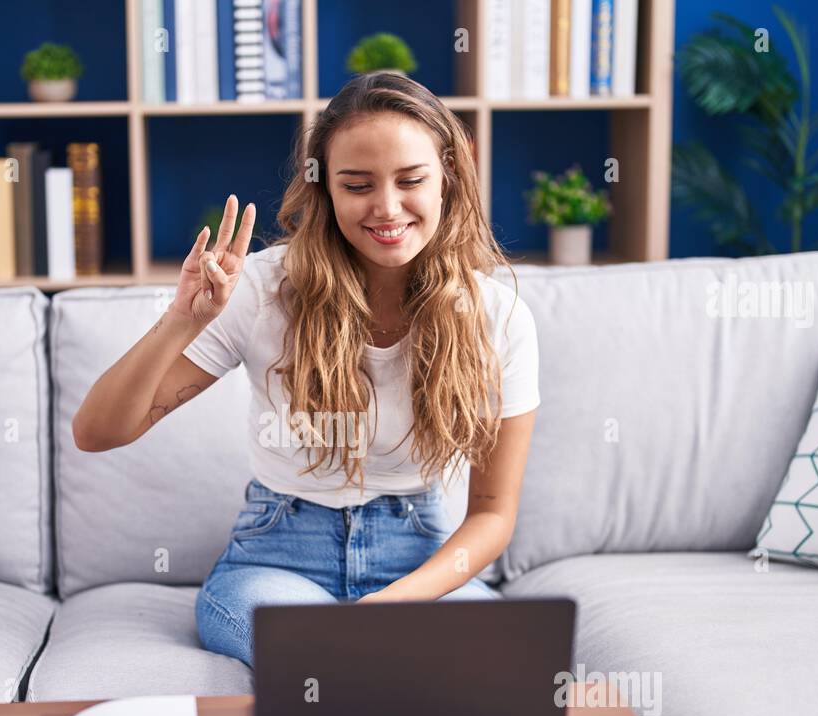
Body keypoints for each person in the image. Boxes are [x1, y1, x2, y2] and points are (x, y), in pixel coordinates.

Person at [72, 72, 540, 668]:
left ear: (447, 177)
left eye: (412, 180)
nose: (387, 207)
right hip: (278, 557)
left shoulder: (498, 317)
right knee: (317, 658)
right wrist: (182, 321)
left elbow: (493, 515)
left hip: (417, 557)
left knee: (508, 656)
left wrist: (397, 603)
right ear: (325, 190)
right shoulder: (264, 289)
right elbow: (97, 431)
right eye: (358, 185)